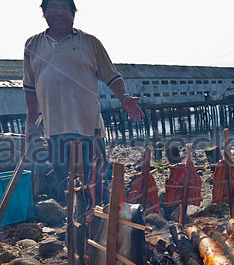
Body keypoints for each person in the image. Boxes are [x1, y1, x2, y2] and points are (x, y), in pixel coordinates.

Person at [23, 0, 144, 201]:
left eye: (65, 8)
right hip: (55, 130)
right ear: (44, 12)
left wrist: (124, 97)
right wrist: (30, 122)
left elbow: (111, 75)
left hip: (89, 128)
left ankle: (101, 227)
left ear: (74, 14)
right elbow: (30, 88)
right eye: (53, 7)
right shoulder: (32, 45)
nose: (60, 12)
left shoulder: (90, 42)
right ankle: (76, 228)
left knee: (97, 183)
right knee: (66, 186)